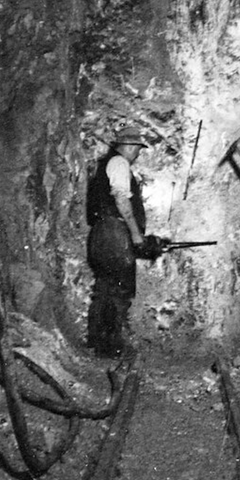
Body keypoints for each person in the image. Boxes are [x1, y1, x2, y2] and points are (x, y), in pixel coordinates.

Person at [85, 124, 149, 357]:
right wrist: (135, 234)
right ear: (130, 146)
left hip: (102, 232)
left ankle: (99, 341)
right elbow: (121, 201)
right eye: (138, 148)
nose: (139, 153)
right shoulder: (120, 164)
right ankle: (112, 345)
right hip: (114, 232)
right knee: (119, 288)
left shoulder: (105, 165)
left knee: (105, 287)